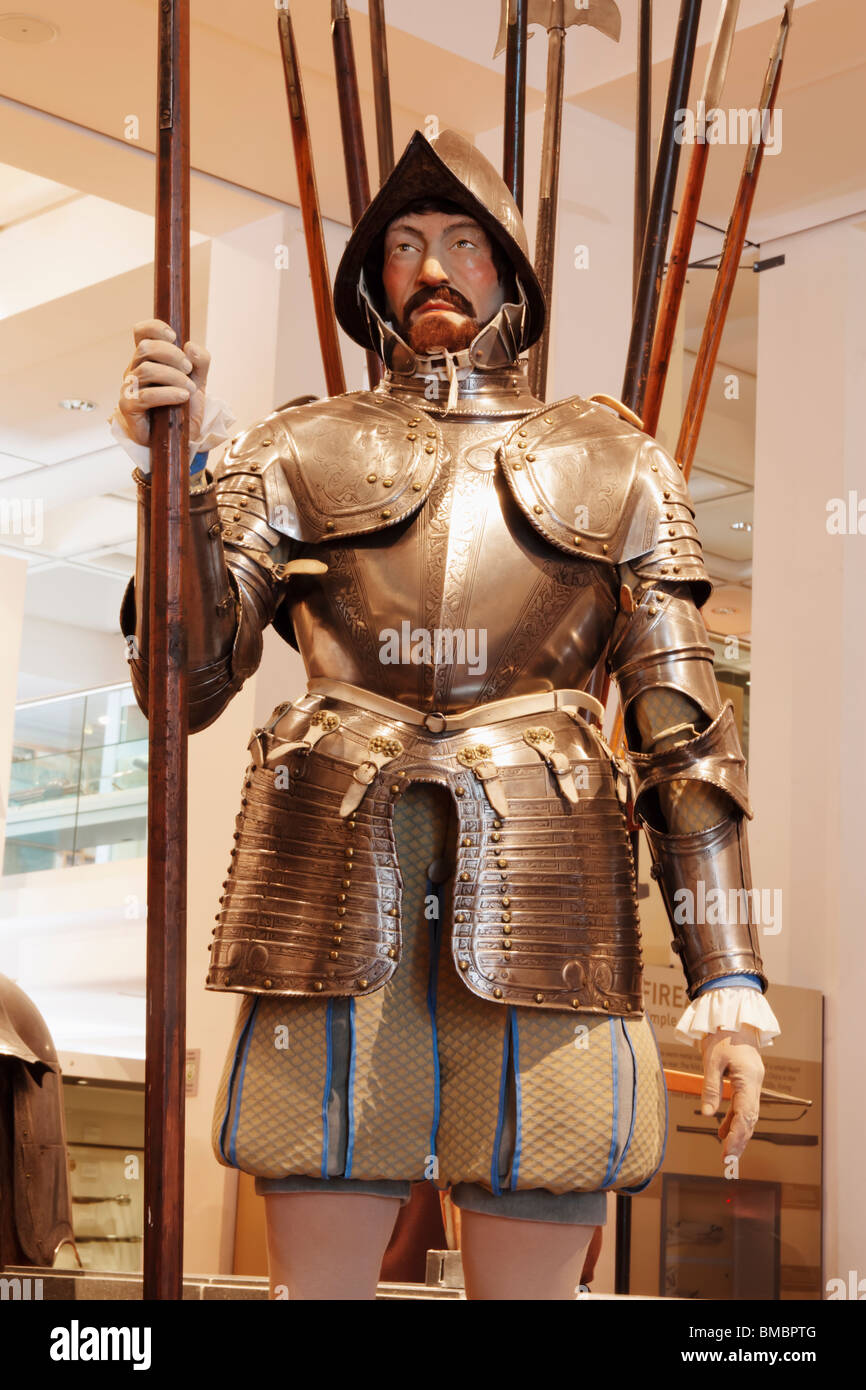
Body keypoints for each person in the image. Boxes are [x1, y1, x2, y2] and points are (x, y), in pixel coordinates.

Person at [114, 129, 779, 1301]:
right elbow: (184, 686)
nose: (432, 268)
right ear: (372, 277)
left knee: (532, 1256)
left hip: (550, 880)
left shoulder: (611, 457)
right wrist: (176, 477)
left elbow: (682, 738)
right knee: (314, 1264)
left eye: (463, 243)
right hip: (328, 869)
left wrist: (726, 978)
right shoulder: (294, 447)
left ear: (508, 274)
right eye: (406, 245)